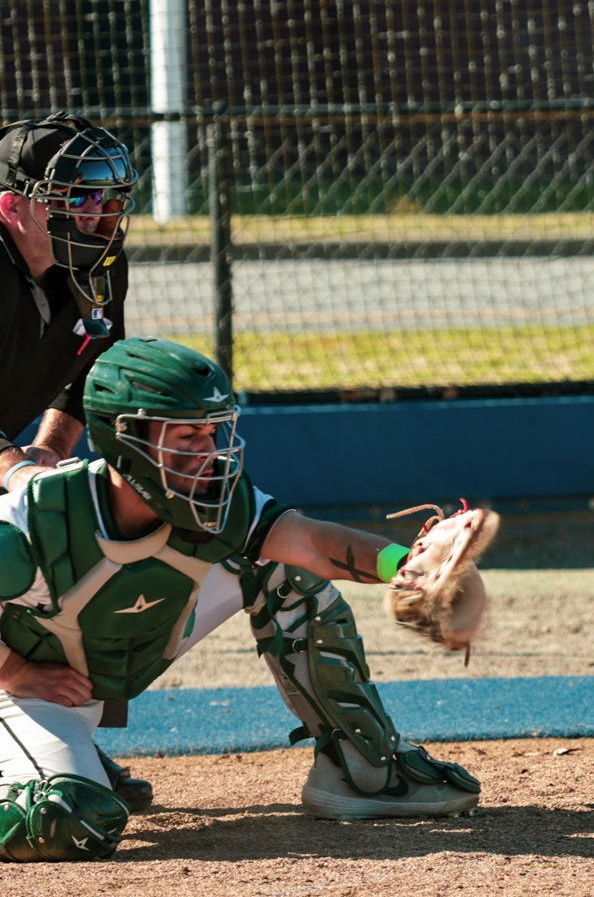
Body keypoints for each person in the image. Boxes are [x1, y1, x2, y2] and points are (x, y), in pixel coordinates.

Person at [0, 337, 482, 862]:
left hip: (87, 673)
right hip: (29, 694)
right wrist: (13, 670)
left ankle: (363, 768)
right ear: (125, 441)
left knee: (278, 565)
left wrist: (406, 567)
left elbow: (310, 543)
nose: (208, 454)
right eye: (187, 438)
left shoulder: (214, 502)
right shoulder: (37, 520)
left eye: (212, 433)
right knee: (62, 822)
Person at [0, 114, 148, 807]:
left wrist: (46, 456)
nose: (101, 216)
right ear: (12, 205)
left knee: (81, 527)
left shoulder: (97, 266)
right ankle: (14, 689)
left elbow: (92, 379)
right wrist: (16, 473)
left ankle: (64, 736)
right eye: (79, 198)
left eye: (112, 199)